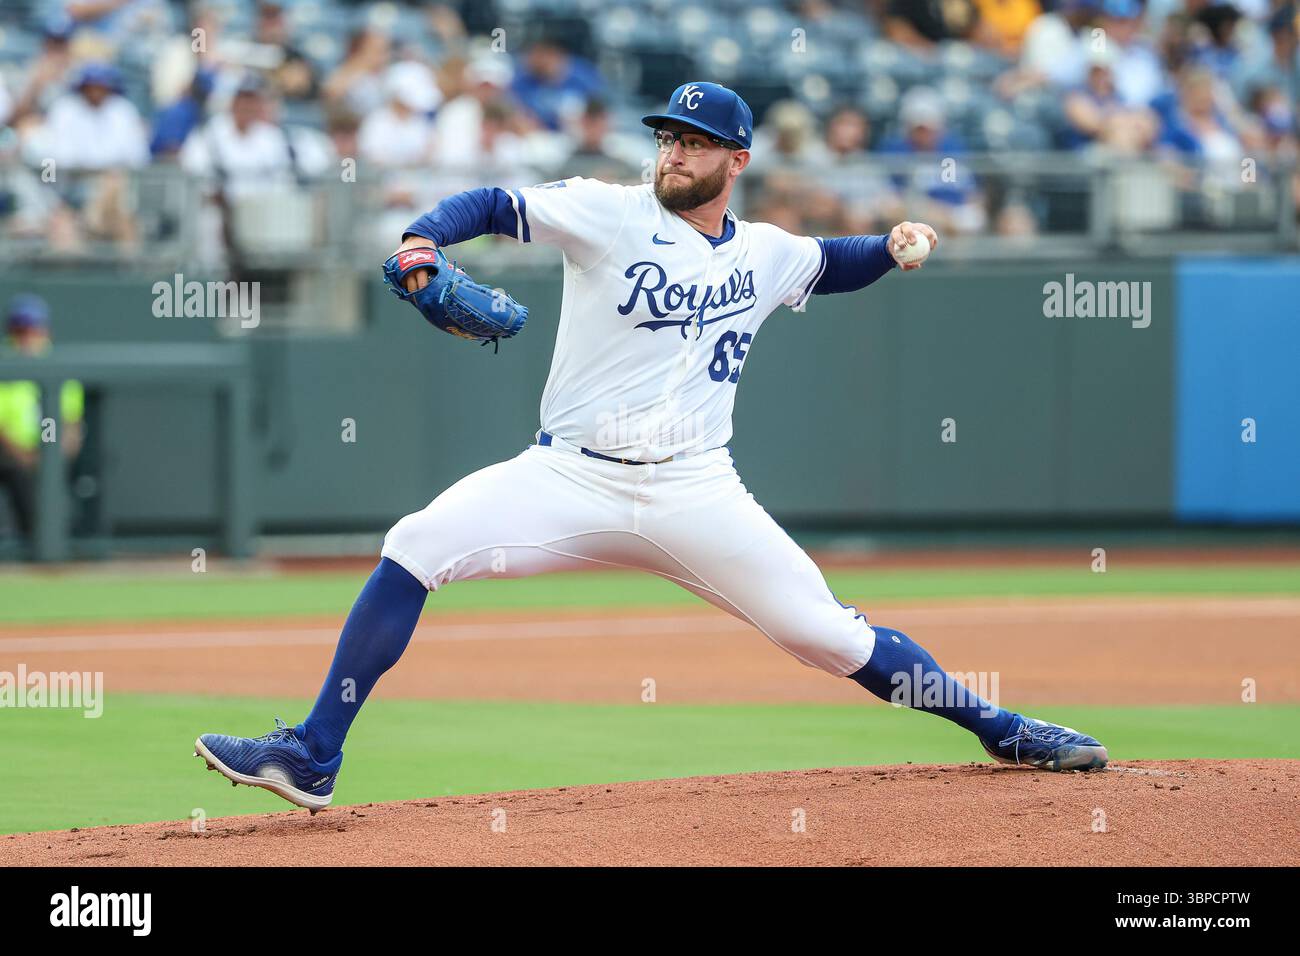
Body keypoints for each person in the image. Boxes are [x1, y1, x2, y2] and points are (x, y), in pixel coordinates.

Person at [194, 81, 1108, 814]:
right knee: (414, 545)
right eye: (667, 138)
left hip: (697, 490)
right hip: (569, 474)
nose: (673, 153)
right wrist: (422, 240)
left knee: (826, 634)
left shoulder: (766, 253)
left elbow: (834, 261)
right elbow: (491, 201)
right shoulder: (607, 211)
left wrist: (896, 244)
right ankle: (313, 755)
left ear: (735, 161)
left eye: (695, 143)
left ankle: (999, 728)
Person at [0, 296, 84, 540]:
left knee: (52, 488)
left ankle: (54, 547)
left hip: (48, 452)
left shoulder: (58, 365)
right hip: (12, 456)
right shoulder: (5, 365)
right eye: (20, 330)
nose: (26, 337)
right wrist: (25, 457)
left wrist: (51, 456)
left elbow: (69, 423)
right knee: (22, 478)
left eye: (32, 329)